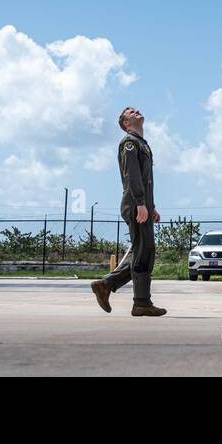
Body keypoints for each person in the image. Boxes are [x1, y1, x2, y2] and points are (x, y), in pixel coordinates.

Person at [91, 107, 166, 316]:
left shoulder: (142, 144)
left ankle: (108, 286)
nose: (136, 112)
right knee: (144, 252)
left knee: (143, 251)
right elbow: (131, 174)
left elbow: (144, 179)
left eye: (136, 110)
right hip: (135, 204)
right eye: (130, 112)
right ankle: (140, 302)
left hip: (141, 204)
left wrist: (151, 207)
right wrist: (141, 203)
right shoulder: (129, 143)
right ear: (125, 123)